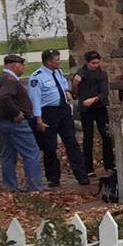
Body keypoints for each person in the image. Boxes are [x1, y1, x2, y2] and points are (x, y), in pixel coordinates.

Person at [28, 49, 87, 188]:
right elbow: (35, 100)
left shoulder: (58, 72)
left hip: (63, 110)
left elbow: (64, 87)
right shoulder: (37, 77)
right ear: (48, 61)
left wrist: (68, 92)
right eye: (57, 59)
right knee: (50, 146)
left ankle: (81, 175)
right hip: (48, 112)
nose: (59, 61)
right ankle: (53, 178)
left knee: (72, 142)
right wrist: (38, 119)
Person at [0, 53, 45, 192]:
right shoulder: (9, 79)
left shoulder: (1, 77)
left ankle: (10, 186)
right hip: (15, 124)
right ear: (15, 65)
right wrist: (16, 113)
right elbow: (4, 98)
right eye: (22, 65)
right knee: (32, 153)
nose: (24, 68)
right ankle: (35, 187)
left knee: (9, 154)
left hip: (4, 122)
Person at [72, 51, 113, 174]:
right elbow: (74, 94)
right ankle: (88, 167)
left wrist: (94, 99)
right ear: (87, 62)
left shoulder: (102, 74)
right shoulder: (80, 74)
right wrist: (75, 84)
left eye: (97, 63)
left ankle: (109, 164)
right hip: (86, 110)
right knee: (88, 138)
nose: (95, 65)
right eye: (93, 63)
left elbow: (104, 92)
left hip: (99, 107)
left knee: (106, 135)